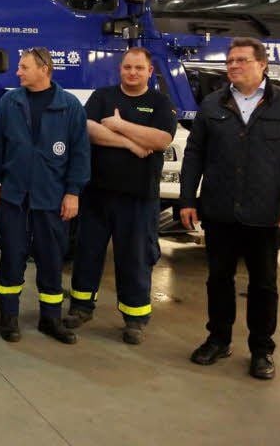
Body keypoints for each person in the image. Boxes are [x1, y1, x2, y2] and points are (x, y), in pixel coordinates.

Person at [181, 37, 280, 380]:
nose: (233, 66)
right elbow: (194, 154)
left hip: (265, 213)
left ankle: (261, 349)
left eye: (241, 60)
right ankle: (218, 339)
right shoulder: (212, 103)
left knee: (264, 285)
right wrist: (187, 200)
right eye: (230, 61)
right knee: (219, 280)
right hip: (219, 210)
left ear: (262, 64)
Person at [64, 48, 176, 344]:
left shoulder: (160, 102)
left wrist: (119, 125)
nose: (132, 72)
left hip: (139, 198)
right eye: (127, 67)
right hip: (97, 194)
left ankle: (135, 319)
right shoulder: (103, 96)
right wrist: (131, 144)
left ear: (149, 71)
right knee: (87, 253)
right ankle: (81, 307)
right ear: (120, 69)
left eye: (139, 68)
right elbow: (88, 129)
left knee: (135, 258)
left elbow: (161, 139)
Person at [0, 47, 89, 345]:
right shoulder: (10, 102)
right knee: (12, 255)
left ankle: (50, 319)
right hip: (14, 197)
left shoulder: (70, 106)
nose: (17, 72)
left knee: (51, 258)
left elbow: (80, 154)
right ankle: (8, 317)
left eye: (24, 67)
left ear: (44, 69)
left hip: (52, 198)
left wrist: (73, 192)